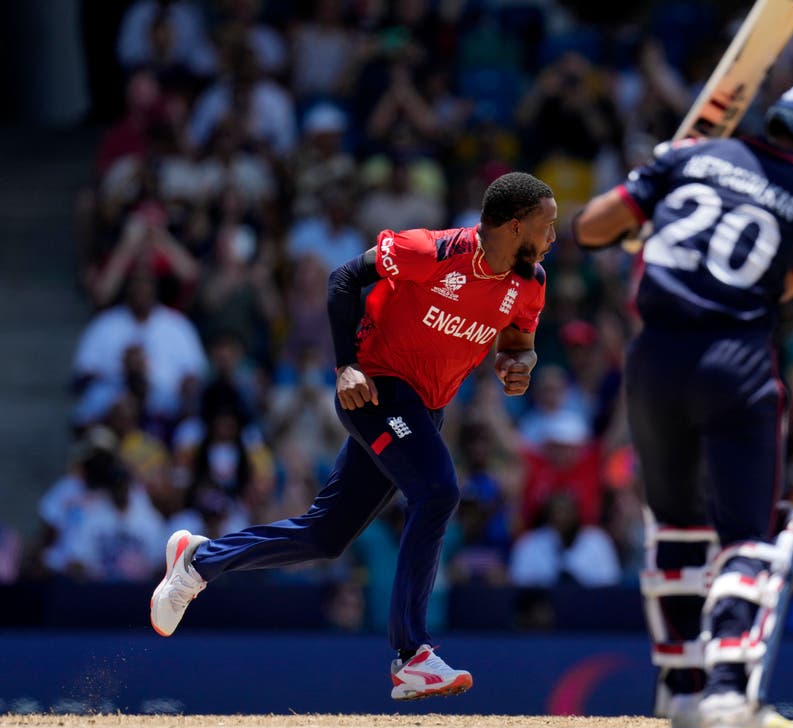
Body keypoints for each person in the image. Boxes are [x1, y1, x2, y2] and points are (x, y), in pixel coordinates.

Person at [150, 172, 557, 701]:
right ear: (514, 225)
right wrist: (346, 367)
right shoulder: (429, 251)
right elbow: (342, 279)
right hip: (375, 392)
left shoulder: (531, 282)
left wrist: (516, 365)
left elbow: (518, 343)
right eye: (547, 226)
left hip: (424, 410)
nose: (553, 237)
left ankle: (200, 562)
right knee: (438, 492)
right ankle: (412, 655)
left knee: (326, 536)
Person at [574, 80, 793, 728]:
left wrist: (650, 200)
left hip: (650, 363)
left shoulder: (683, 159)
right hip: (733, 361)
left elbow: (590, 228)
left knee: (676, 531)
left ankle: (682, 701)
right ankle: (729, 699)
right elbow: (781, 285)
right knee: (753, 536)